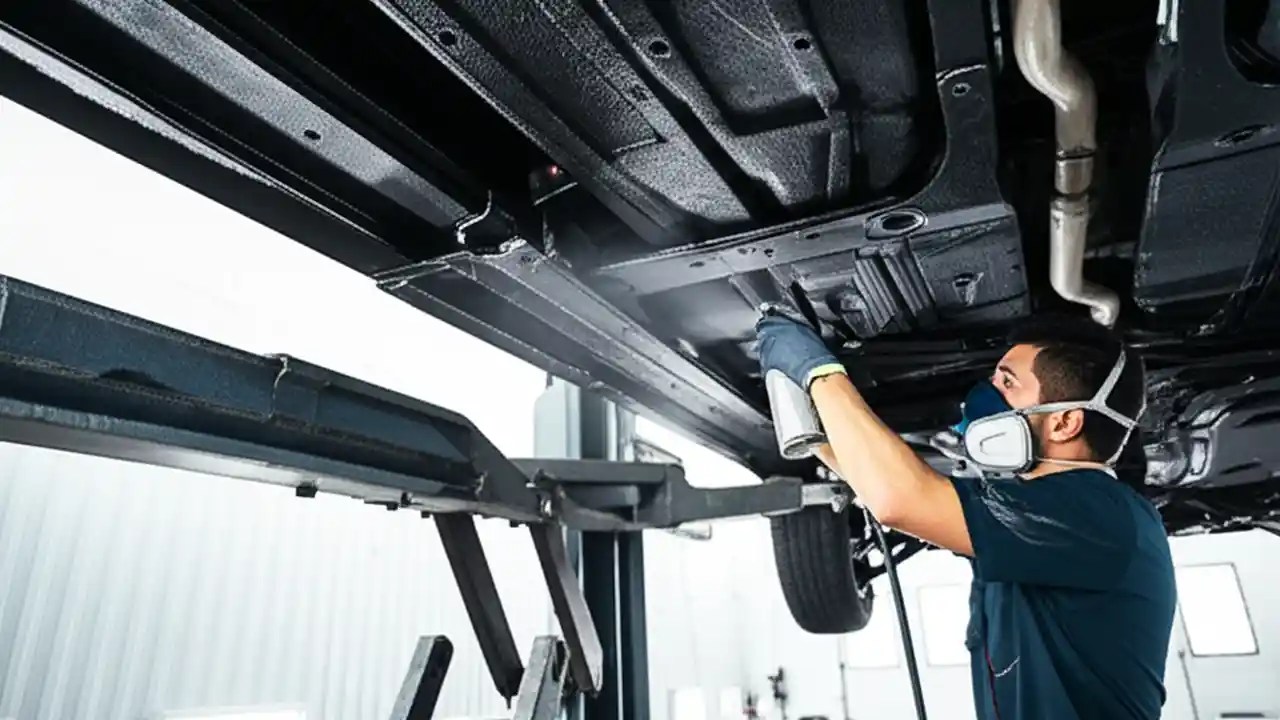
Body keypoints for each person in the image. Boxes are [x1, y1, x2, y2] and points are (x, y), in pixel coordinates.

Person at [755, 310, 1176, 720]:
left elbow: (899, 499)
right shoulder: (1048, 523)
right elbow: (896, 492)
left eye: (1006, 384)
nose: (985, 395)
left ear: (1065, 423)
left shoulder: (1102, 517)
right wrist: (815, 435)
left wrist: (817, 370)